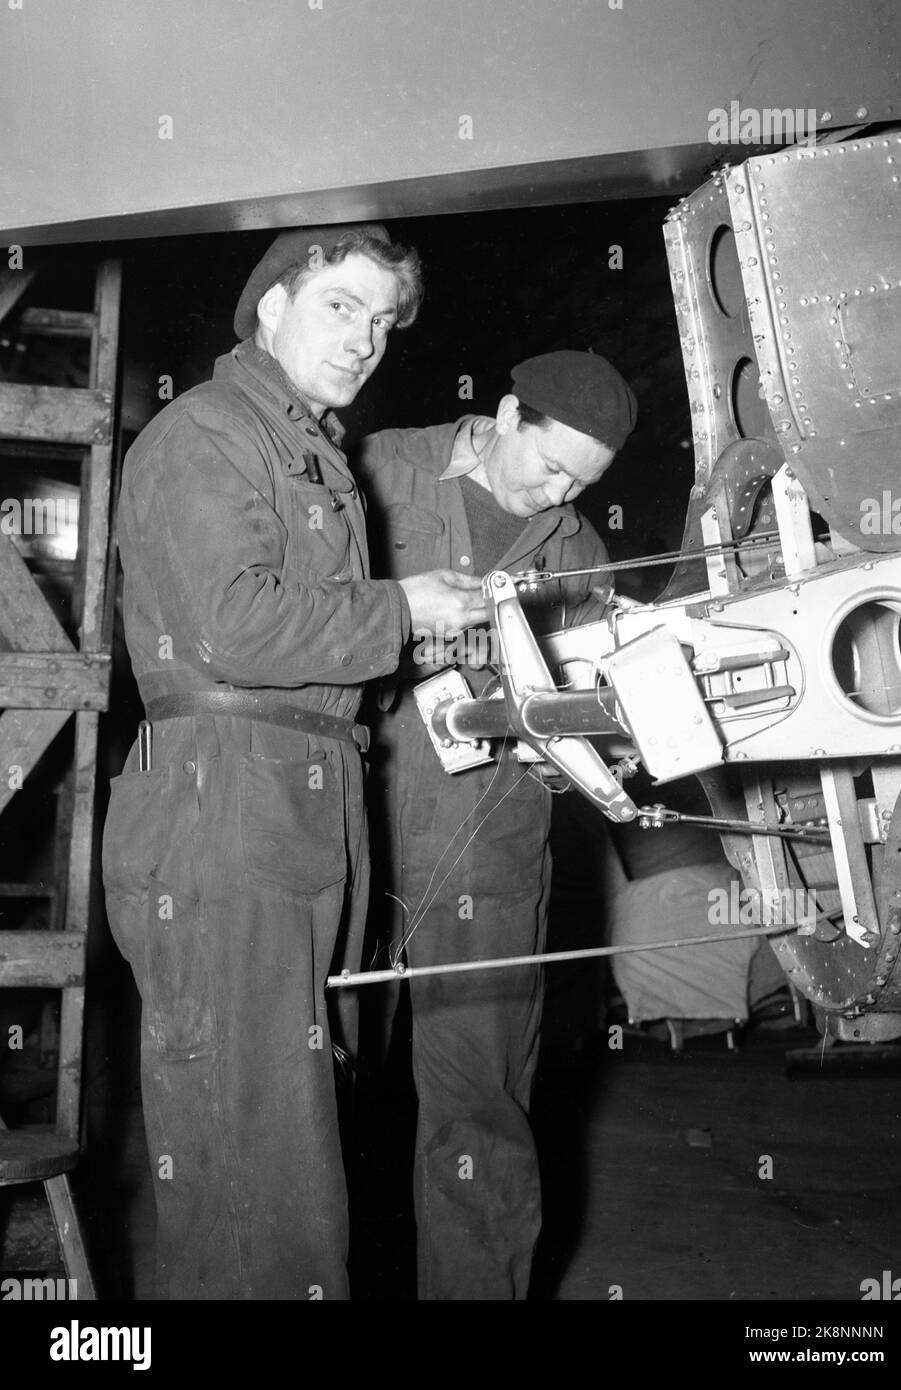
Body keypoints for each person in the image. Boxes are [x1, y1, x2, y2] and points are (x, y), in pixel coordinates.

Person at [101, 223, 489, 1300]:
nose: (365, 338)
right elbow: (231, 625)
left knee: (306, 1134)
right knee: (253, 1148)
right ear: (269, 304)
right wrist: (402, 607)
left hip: (306, 791)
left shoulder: (306, 451)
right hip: (224, 799)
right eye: (339, 306)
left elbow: (317, 653)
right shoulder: (205, 433)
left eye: (381, 322)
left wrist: (427, 655)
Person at [353, 350, 637, 1299]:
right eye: (549, 466)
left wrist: (582, 741)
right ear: (507, 413)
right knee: (308, 1102)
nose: (557, 496)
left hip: (489, 849)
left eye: (582, 484)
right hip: (345, 831)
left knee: (479, 1116)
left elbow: (601, 708)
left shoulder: (578, 550)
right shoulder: (374, 469)